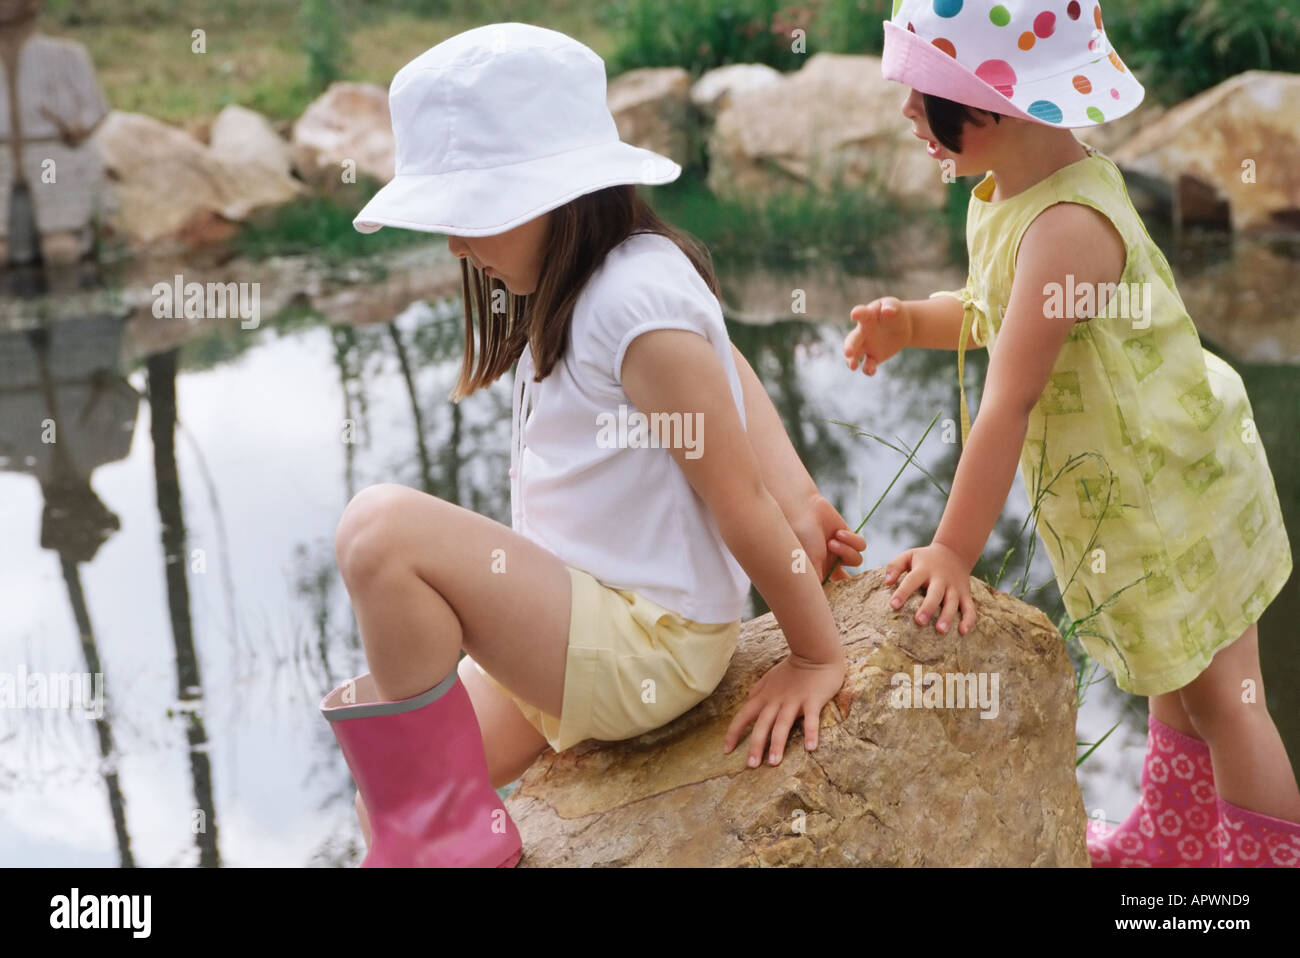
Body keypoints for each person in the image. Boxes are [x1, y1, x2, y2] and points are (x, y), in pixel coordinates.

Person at [319, 22, 865, 868]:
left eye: (469, 215)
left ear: (555, 194)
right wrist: (804, 498)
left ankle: (448, 830)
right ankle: (441, 828)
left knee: (378, 530)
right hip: (580, 618)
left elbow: (734, 500)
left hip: (647, 643)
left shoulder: (631, 305)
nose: (455, 246)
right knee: (385, 791)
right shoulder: (619, 273)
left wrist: (815, 652)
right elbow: (733, 367)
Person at [845, 0, 1297, 867]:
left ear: (999, 103)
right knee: (1176, 680)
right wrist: (913, 320)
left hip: (1175, 502)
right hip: (1148, 490)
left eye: (923, 90)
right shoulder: (1010, 196)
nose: (907, 110)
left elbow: (1009, 401)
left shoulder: (1067, 229)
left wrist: (952, 552)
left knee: (1229, 700)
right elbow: (990, 314)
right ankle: (1175, 841)